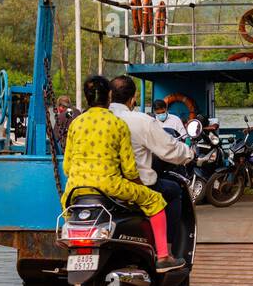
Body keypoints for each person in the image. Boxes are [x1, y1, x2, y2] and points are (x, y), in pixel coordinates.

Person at [60, 75, 173, 267]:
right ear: (109, 97)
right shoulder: (117, 124)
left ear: (87, 97)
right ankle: (163, 256)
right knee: (155, 200)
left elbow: (67, 167)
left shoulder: (76, 123)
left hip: (75, 189)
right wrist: (139, 186)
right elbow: (129, 169)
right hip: (110, 187)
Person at [108, 76, 195, 268]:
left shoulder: (92, 120)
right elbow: (169, 149)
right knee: (173, 192)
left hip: (96, 185)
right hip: (132, 185)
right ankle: (166, 252)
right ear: (133, 98)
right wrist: (189, 153)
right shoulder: (139, 120)